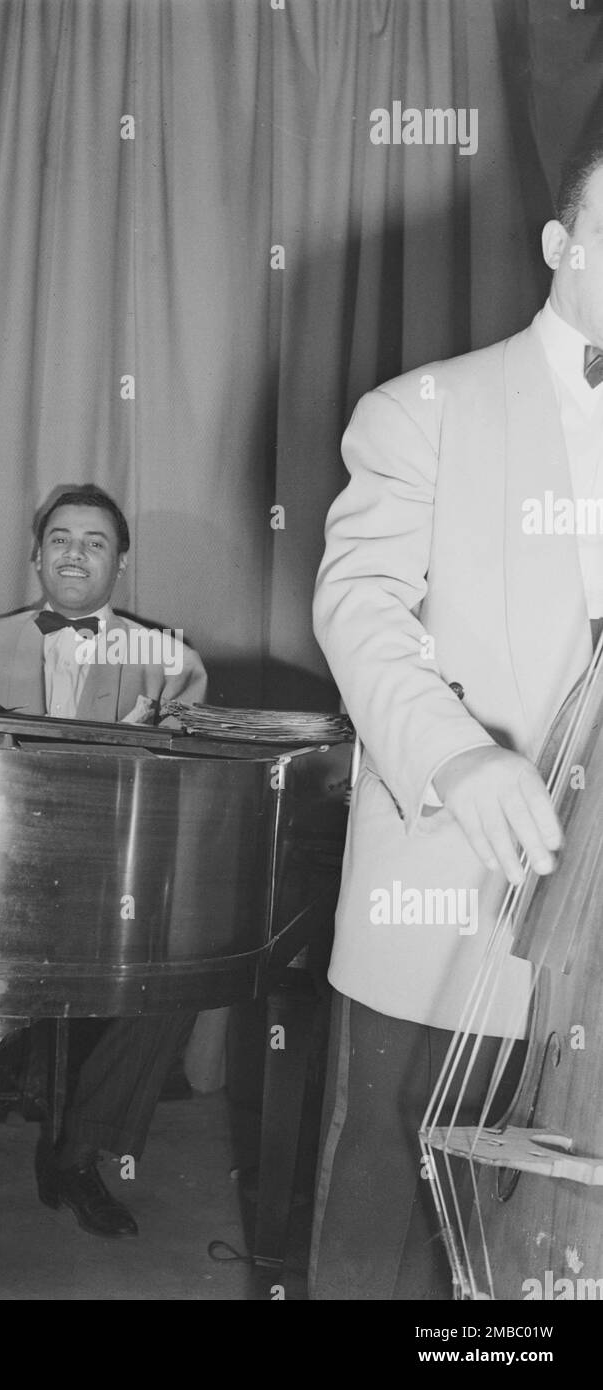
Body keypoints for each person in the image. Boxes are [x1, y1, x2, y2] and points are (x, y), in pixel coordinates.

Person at [309, 132, 603, 1299]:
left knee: (554, 1258)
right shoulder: (424, 408)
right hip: (451, 901)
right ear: (558, 243)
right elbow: (357, 609)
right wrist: (458, 758)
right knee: (390, 1225)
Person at [0, 483, 207, 1238]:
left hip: (107, 885)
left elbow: (180, 793)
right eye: (60, 537)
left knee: (175, 980)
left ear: (120, 562)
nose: (75, 553)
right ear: (35, 553)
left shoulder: (171, 661)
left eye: (95, 541)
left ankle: (79, 1154)